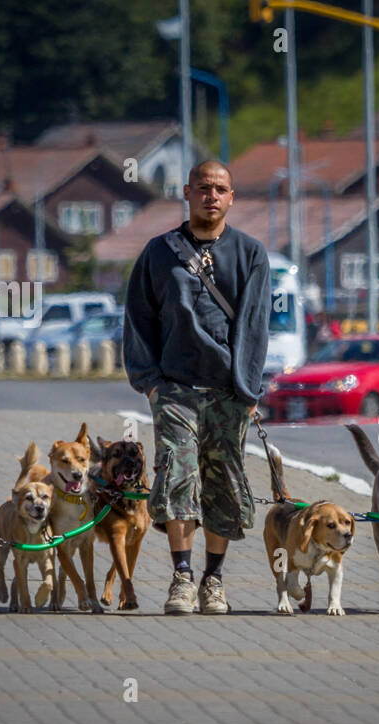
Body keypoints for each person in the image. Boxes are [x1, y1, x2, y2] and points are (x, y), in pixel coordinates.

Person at [123, 161, 270, 615]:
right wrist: (150, 385)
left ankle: (213, 581)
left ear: (232, 198)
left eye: (220, 189)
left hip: (229, 391)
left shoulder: (250, 253)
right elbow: (138, 318)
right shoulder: (158, 252)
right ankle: (182, 579)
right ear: (187, 192)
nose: (212, 195)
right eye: (203, 187)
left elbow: (255, 325)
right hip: (175, 390)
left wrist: (248, 391)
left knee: (223, 484)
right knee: (178, 477)